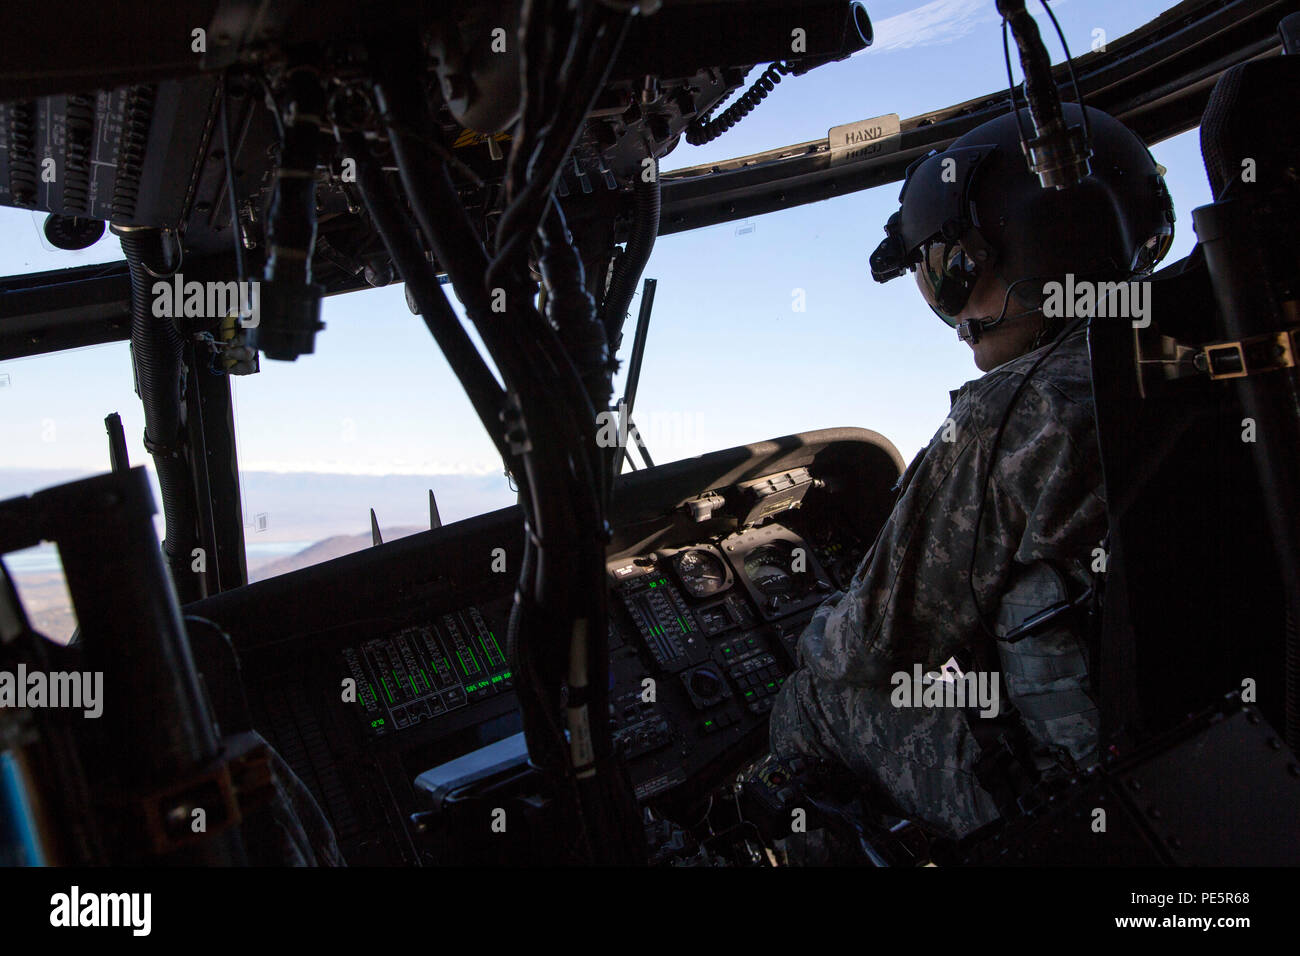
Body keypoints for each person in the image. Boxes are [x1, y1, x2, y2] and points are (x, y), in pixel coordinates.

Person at [769, 103, 1176, 840]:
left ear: (986, 257)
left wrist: (808, 627)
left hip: (1096, 792)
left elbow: (873, 646)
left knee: (811, 701)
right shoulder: (1212, 339)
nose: (956, 320)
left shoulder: (1015, 408)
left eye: (947, 279)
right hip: (1224, 744)